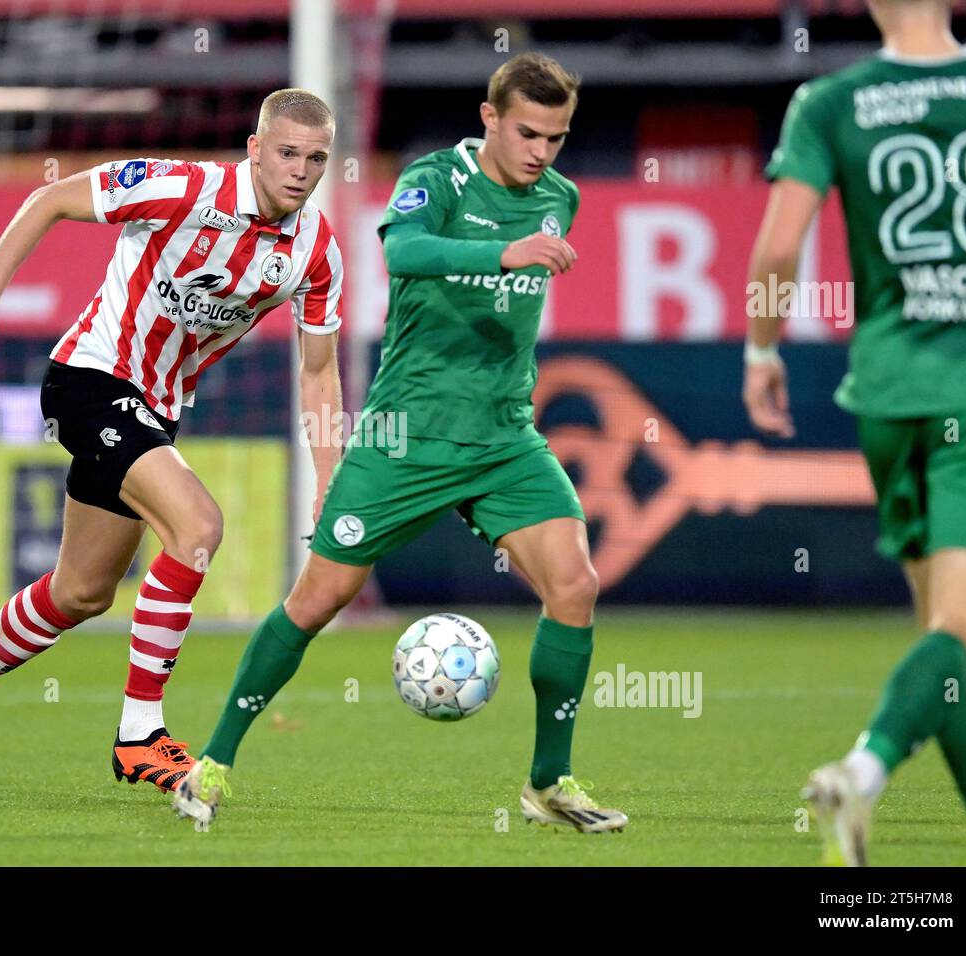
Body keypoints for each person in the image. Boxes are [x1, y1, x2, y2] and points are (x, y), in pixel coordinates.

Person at [174, 53, 628, 835]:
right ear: (490, 119)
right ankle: (211, 763)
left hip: (503, 439)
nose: (541, 152)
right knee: (317, 601)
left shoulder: (562, 199)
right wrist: (501, 254)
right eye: (527, 132)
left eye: (556, 137)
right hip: (404, 439)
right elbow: (403, 252)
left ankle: (549, 783)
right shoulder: (438, 180)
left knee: (576, 586)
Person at [0, 89, 345, 797]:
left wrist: (332, 476)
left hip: (158, 410)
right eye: (287, 152)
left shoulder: (317, 252)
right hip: (88, 377)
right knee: (199, 525)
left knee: (82, 592)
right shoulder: (181, 187)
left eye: (317, 158)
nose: (299, 170)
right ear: (255, 149)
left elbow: (319, 372)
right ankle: (139, 734)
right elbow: (48, 201)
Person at [744, 0, 966, 865]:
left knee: (949, 651)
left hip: (889, 396)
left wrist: (762, 349)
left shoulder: (830, 102)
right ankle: (863, 769)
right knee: (961, 640)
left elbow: (779, 251)